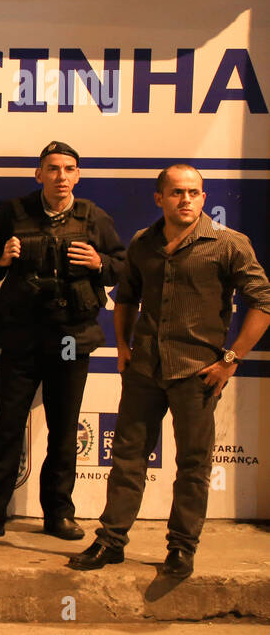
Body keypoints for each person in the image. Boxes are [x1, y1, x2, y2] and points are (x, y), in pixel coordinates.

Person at [71, 165, 270, 579]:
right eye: (177, 192)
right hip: (144, 369)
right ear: (159, 198)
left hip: (198, 373)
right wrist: (123, 347)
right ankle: (111, 540)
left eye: (194, 192)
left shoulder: (228, 244)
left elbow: (263, 303)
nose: (186, 200)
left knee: (194, 466)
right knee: (127, 458)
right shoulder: (143, 243)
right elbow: (125, 297)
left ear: (203, 196)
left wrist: (230, 360)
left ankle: (181, 548)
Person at [0, 142, 126, 543]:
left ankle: (58, 514)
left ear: (78, 176)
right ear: (39, 175)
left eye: (69, 169)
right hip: (23, 339)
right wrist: (1, 258)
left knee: (65, 430)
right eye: (52, 169)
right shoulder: (14, 214)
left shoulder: (94, 218)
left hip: (72, 338)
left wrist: (99, 263)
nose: (61, 176)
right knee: (8, 428)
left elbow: (122, 266)